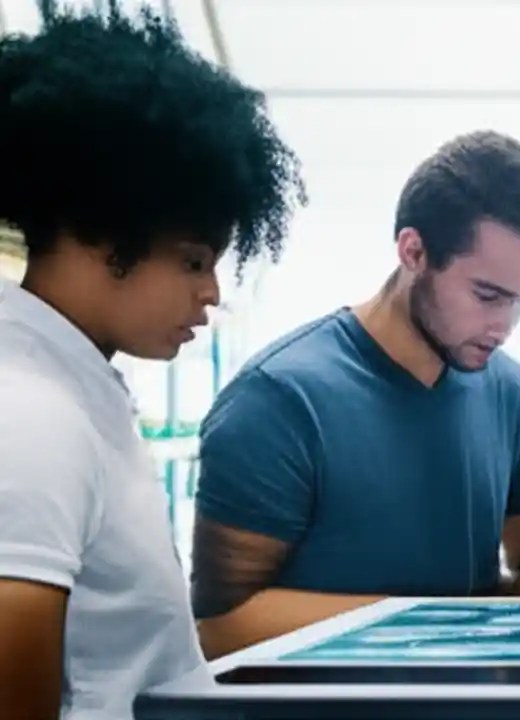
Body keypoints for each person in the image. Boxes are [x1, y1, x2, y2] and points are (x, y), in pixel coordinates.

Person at [0, 5, 305, 718]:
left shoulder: (72, 388)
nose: (211, 294)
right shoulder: (32, 414)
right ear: (103, 229)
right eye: (193, 260)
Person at [190, 131, 520, 660]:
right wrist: (440, 625)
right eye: (487, 295)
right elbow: (219, 625)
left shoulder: (509, 391)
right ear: (413, 251)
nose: (504, 325)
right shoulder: (278, 400)